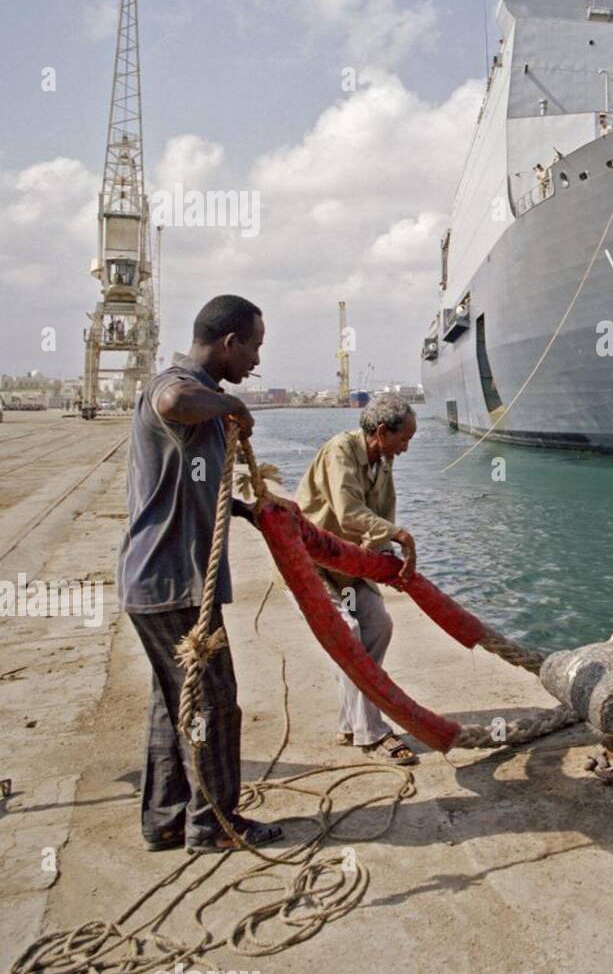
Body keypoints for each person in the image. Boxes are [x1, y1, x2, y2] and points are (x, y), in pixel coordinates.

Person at [117, 294, 282, 854]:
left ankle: (164, 819)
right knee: (215, 701)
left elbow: (196, 490)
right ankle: (213, 824)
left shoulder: (209, 404)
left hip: (164, 582)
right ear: (230, 342)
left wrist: (249, 512)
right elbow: (171, 401)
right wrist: (228, 406)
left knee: (175, 701)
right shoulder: (179, 384)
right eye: (253, 346)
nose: (256, 361)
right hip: (170, 583)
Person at [296, 395, 420, 765]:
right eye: (404, 439)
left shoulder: (383, 462)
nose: (406, 447)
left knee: (377, 625)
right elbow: (350, 513)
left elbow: (381, 516)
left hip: (349, 567)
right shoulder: (341, 452)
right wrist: (401, 536)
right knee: (347, 633)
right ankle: (372, 733)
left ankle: (351, 720)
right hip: (310, 564)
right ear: (381, 432)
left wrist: (388, 553)